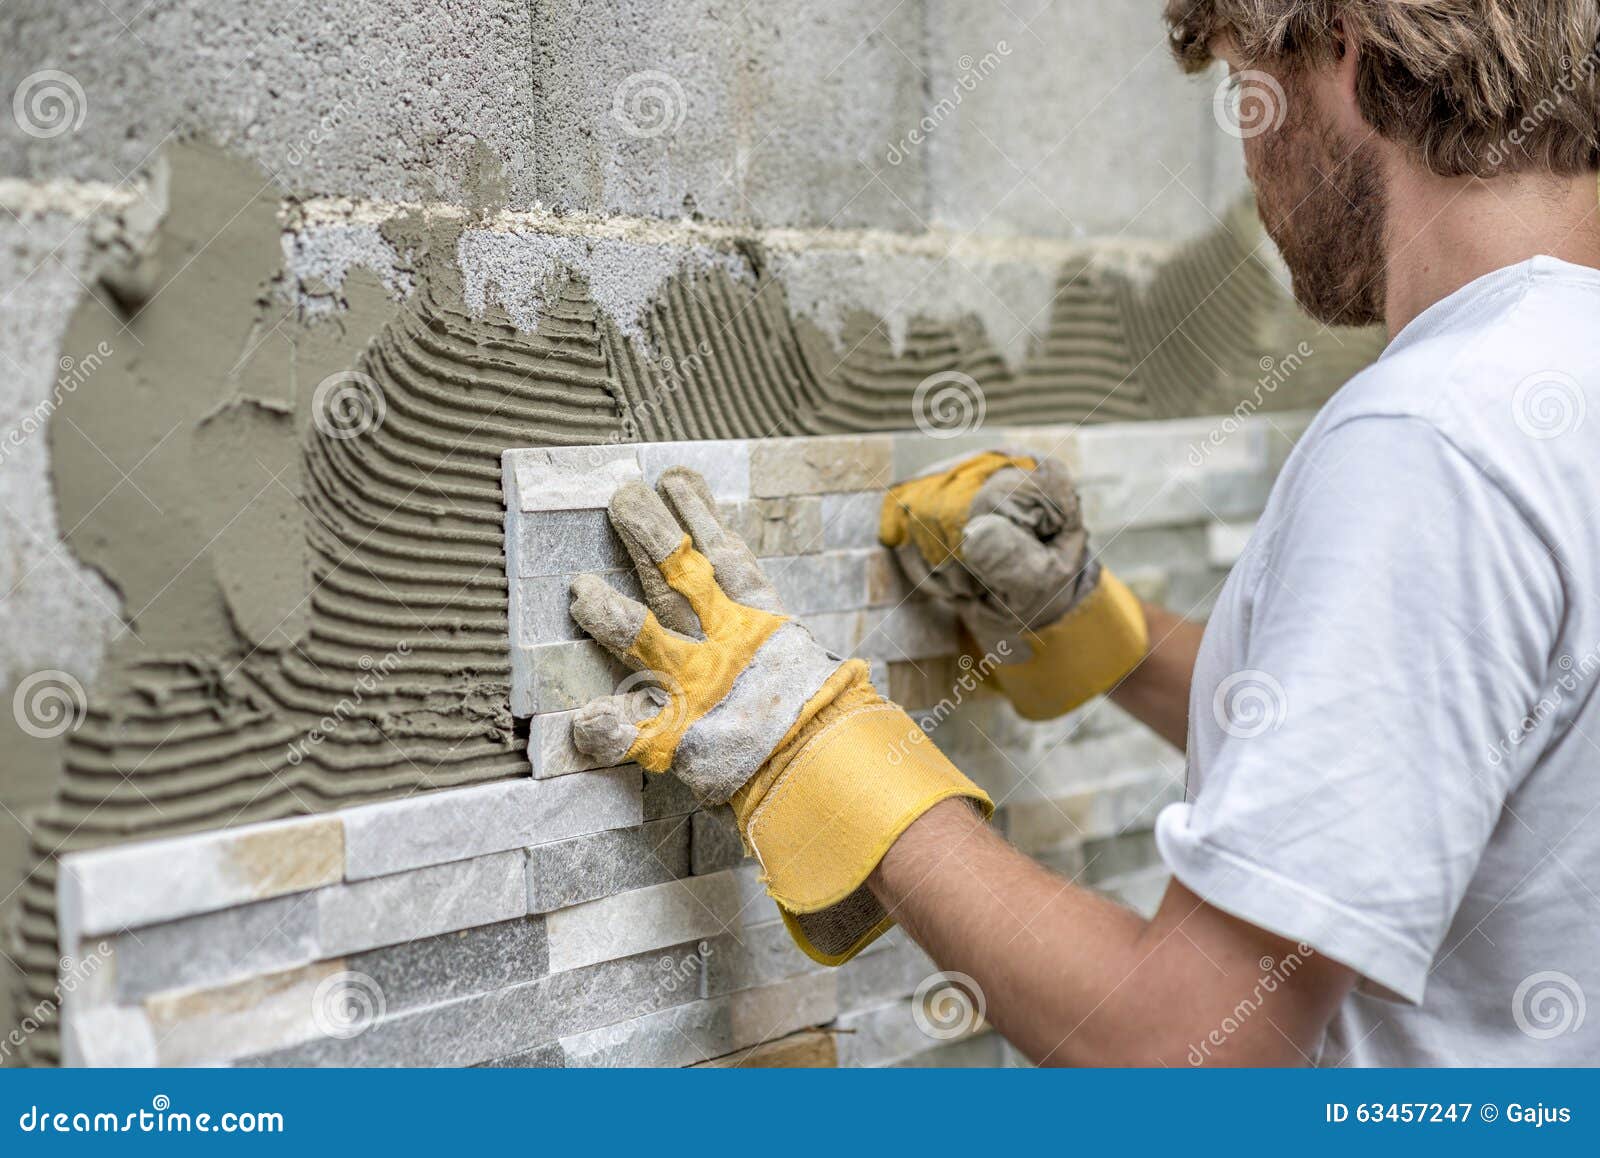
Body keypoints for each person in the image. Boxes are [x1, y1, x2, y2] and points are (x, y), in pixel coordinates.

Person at [567, 1, 1600, 1065]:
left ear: (1342, 44)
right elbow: (1432, 751)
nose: (1247, 156)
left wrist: (813, 748)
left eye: (1238, 84)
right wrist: (1092, 627)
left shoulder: (1428, 434)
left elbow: (1184, 1054)